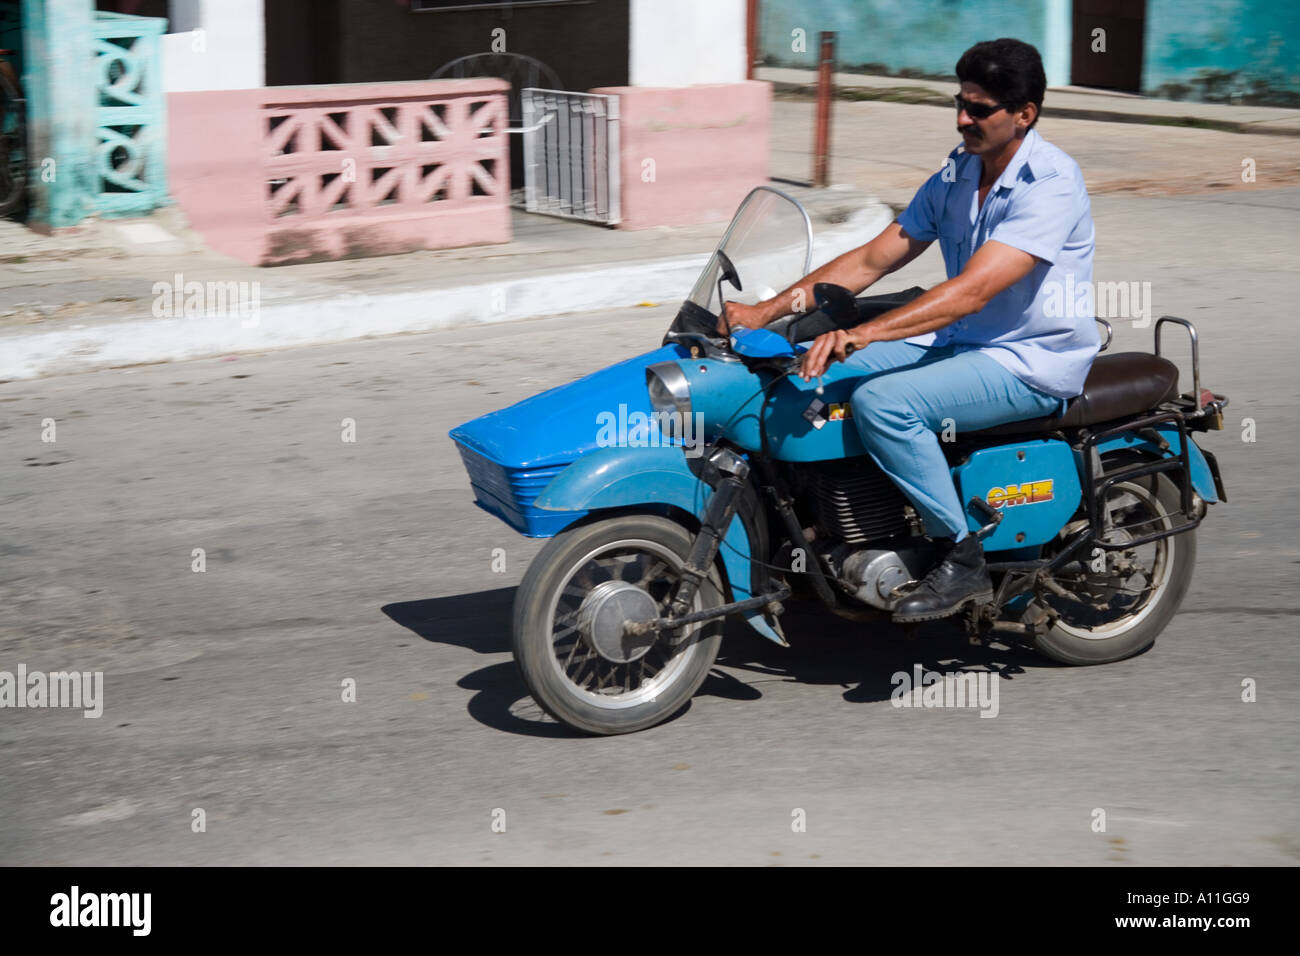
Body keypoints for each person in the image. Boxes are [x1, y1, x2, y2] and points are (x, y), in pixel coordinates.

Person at [720, 38, 1098, 623]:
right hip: (958, 342)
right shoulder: (958, 168)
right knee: (803, 375)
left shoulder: (1050, 183)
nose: (962, 118)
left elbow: (973, 290)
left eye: (980, 109)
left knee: (883, 403)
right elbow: (875, 258)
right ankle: (831, 528)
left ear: (1025, 114)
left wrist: (866, 333)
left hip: (1027, 357)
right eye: (960, 103)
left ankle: (960, 554)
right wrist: (763, 312)